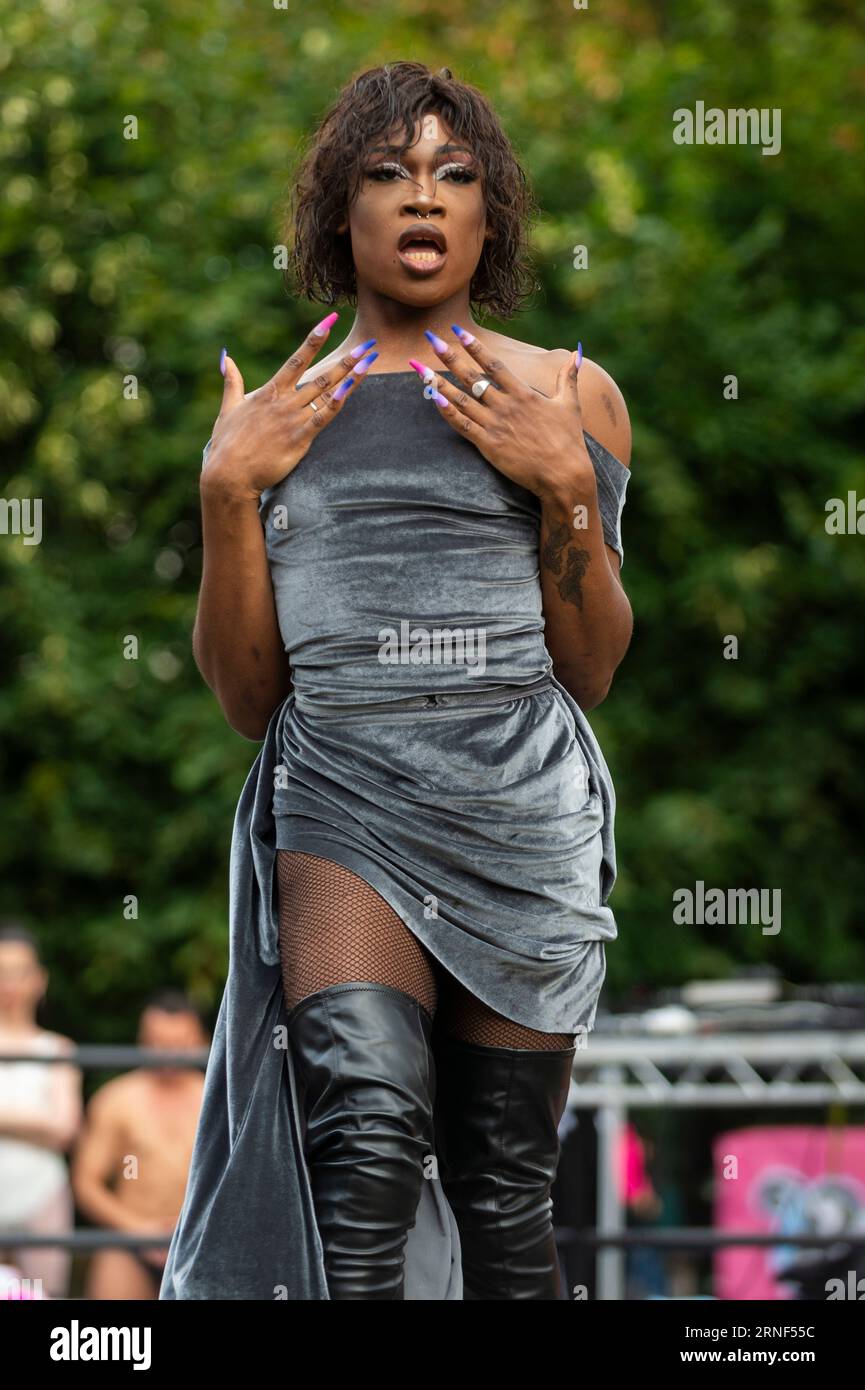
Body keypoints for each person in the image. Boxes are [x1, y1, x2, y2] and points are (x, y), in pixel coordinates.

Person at [161, 60, 633, 1301]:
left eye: (453, 174)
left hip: (518, 805)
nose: (422, 197)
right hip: (344, 794)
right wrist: (226, 495)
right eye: (387, 173)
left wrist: (569, 485)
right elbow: (249, 699)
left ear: (491, 214)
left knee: (503, 1184)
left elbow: (589, 667)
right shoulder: (277, 422)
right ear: (339, 216)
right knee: (363, 1144)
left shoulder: (566, 393)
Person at [72, 990, 206, 1299]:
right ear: (142, 1039)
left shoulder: (219, 1101)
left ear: (200, 1039)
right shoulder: (117, 1100)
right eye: (159, 1042)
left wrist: (196, 1228)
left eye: (179, 1044)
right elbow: (85, 1182)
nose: (169, 1054)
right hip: (130, 1241)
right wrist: (137, 1229)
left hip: (202, 1238)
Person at [0, 921, 82, 1299]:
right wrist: (36, 1123)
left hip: (42, 1199)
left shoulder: (58, 1048)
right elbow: (50, 1125)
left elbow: (65, 1128)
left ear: (39, 980)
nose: (10, 985)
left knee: (45, 1296)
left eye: (19, 973)